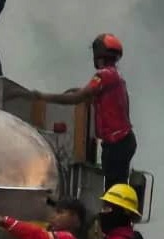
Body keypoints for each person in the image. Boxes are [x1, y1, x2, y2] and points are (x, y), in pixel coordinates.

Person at [33, 33, 136, 188]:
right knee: (116, 186)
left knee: (113, 189)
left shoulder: (104, 75)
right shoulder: (116, 77)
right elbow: (91, 94)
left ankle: (114, 212)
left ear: (99, 54)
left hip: (117, 144)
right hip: (123, 142)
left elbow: (79, 97)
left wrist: (44, 97)